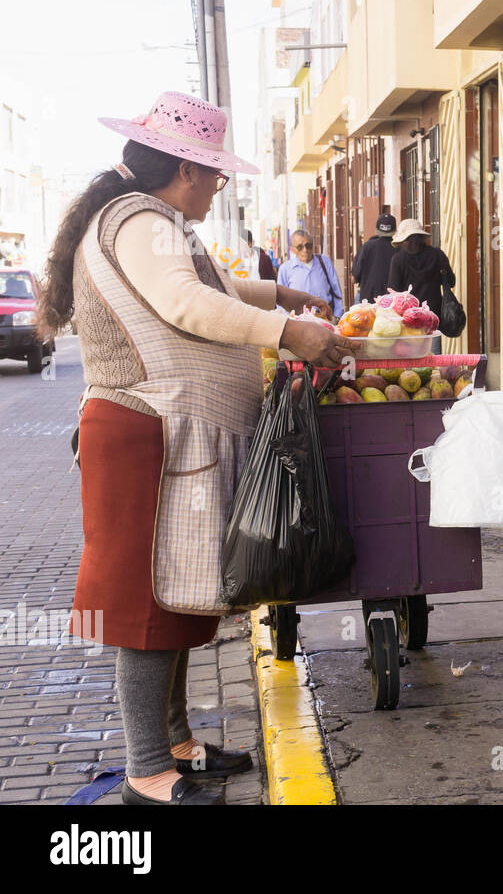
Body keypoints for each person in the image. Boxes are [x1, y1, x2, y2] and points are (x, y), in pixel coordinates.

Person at [36, 91, 358, 805]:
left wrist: (276, 294)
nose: (220, 186)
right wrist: (285, 333)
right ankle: (148, 773)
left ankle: (176, 743)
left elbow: (209, 285)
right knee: (143, 607)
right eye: (215, 174)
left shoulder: (152, 221)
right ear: (185, 169)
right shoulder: (142, 222)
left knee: (177, 596)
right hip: (143, 434)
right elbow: (186, 304)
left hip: (160, 433)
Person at [387, 218, 454, 351]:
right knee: (432, 359)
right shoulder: (437, 255)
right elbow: (451, 281)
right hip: (433, 318)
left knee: (411, 360)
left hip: (407, 319)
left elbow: (392, 291)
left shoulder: (398, 260)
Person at [277, 230, 344, 320]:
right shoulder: (285, 269)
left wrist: (337, 317)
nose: (305, 250)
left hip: (325, 319)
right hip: (298, 322)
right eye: (300, 247)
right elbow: (280, 299)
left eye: (308, 246)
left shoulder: (325, 262)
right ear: (292, 249)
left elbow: (337, 293)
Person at [352, 211, 399, 303]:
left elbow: (354, 278)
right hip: (392, 304)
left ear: (377, 229)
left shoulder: (366, 247)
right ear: (394, 230)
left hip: (368, 302)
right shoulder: (399, 249)